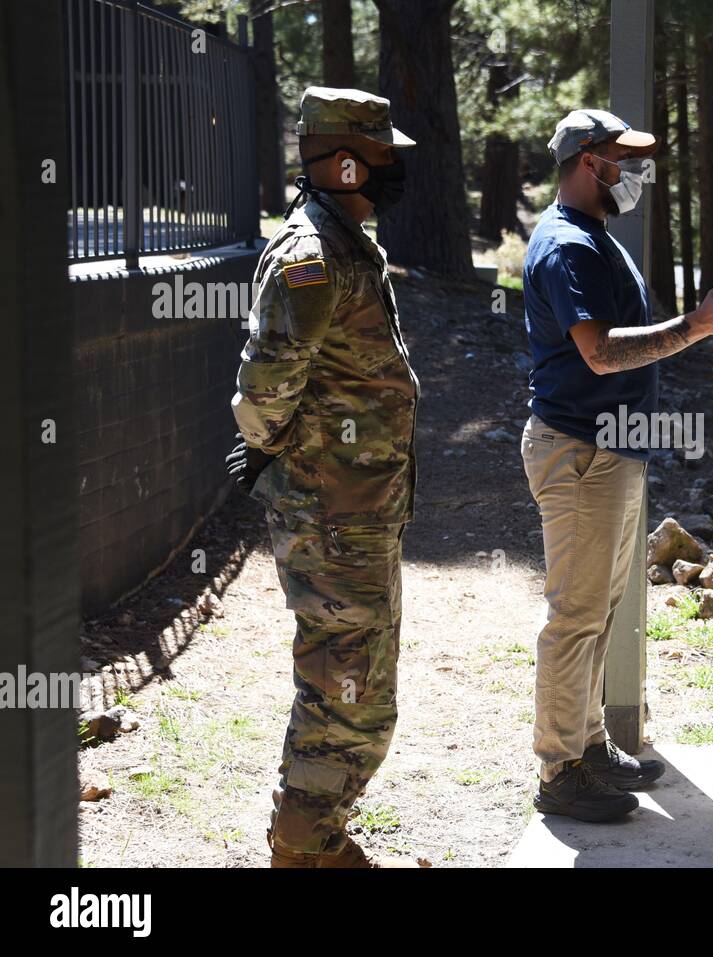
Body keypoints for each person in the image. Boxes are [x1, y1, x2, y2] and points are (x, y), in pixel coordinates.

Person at [521, 108, 713, 822]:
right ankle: (559, 771)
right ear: (585, 162)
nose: (633, 172)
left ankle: (589, 745)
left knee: (599, 609)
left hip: (608, 450)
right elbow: (599, 352)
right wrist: (698, 324)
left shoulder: (596, 239)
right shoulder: (567, 245)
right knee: (575, 614)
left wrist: (702, 323)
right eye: (620, 157)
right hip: (581, 453)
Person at [226, 86, 420, 867]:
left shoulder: (345, 242)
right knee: (344, 686)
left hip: (359, 509)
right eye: (381, 156)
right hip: (333, 516)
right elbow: (266, 386)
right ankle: (302, 847)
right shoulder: (311, 256)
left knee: (362, 684)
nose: (392, 170)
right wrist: (279, 457)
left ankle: (320, 834)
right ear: (343, 161)